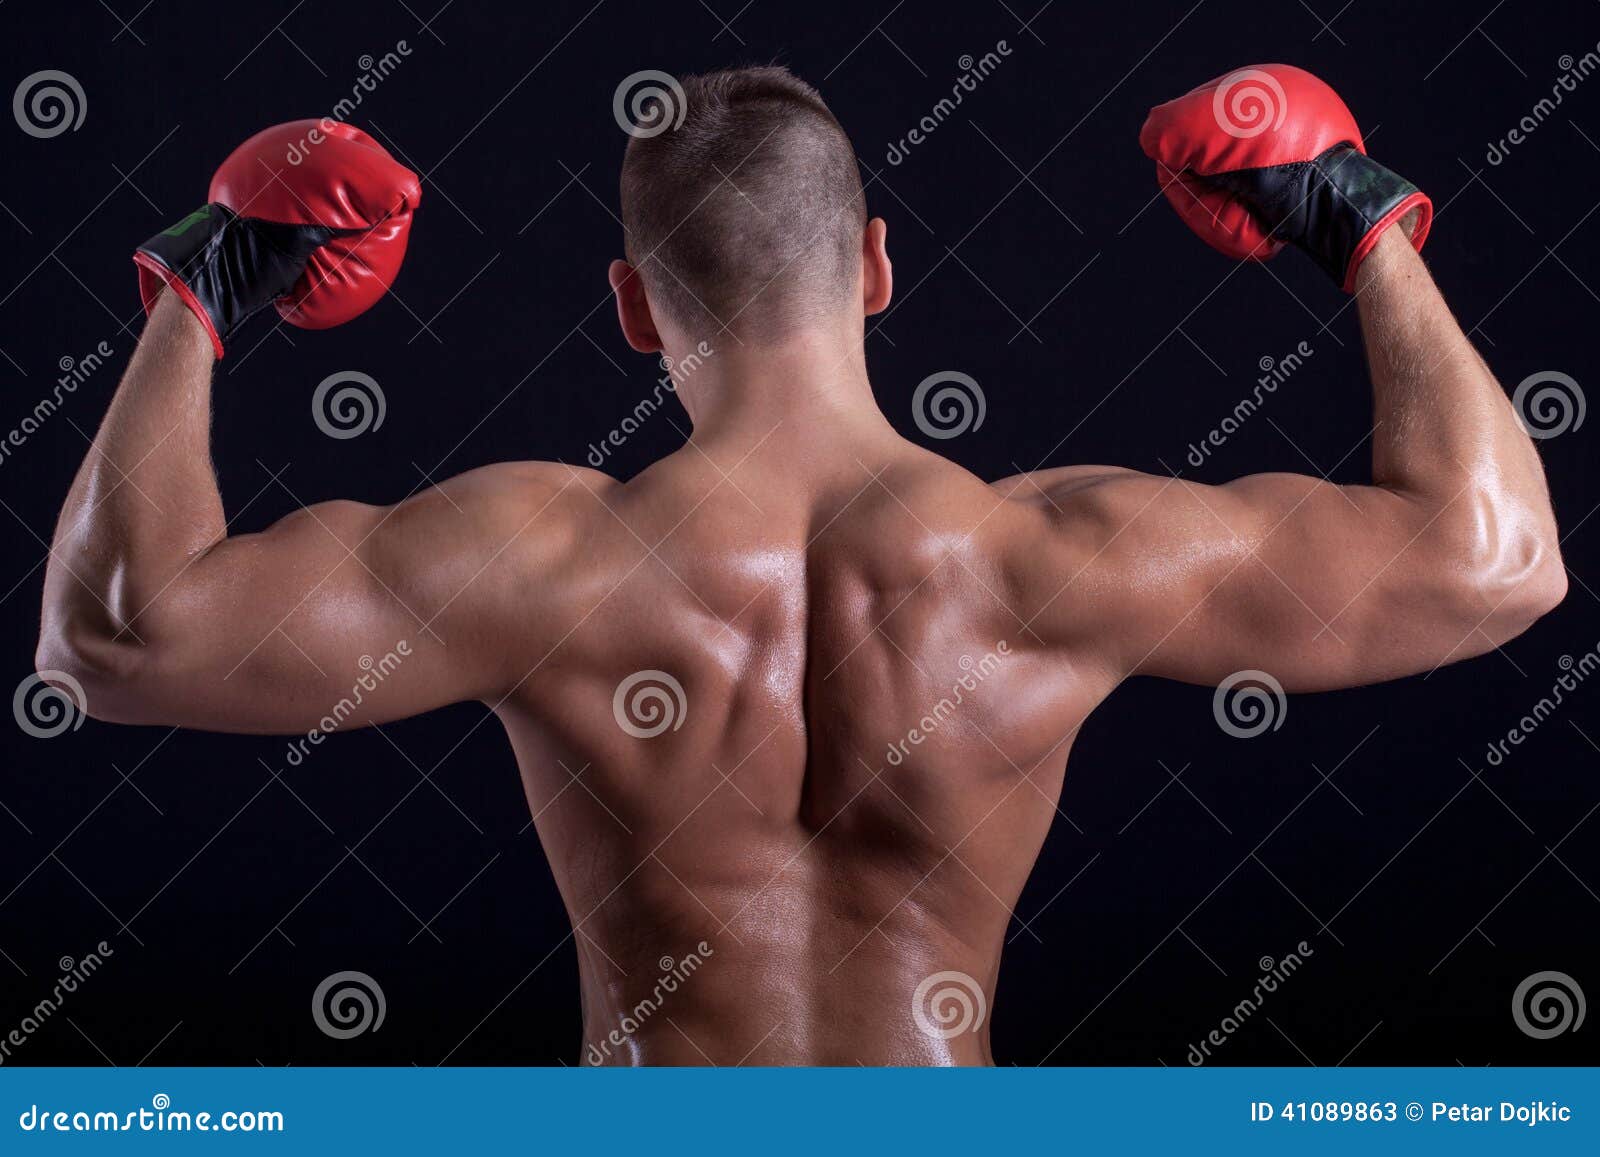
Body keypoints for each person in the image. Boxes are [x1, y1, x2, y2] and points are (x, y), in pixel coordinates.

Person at [37, 65, 1564, 1065]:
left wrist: (206, 285)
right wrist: (1364, 225)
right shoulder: (1045, 554)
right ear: (881, 268)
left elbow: (112, 639)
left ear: (633, 308)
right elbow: (1496, 562)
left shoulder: (548, 557)